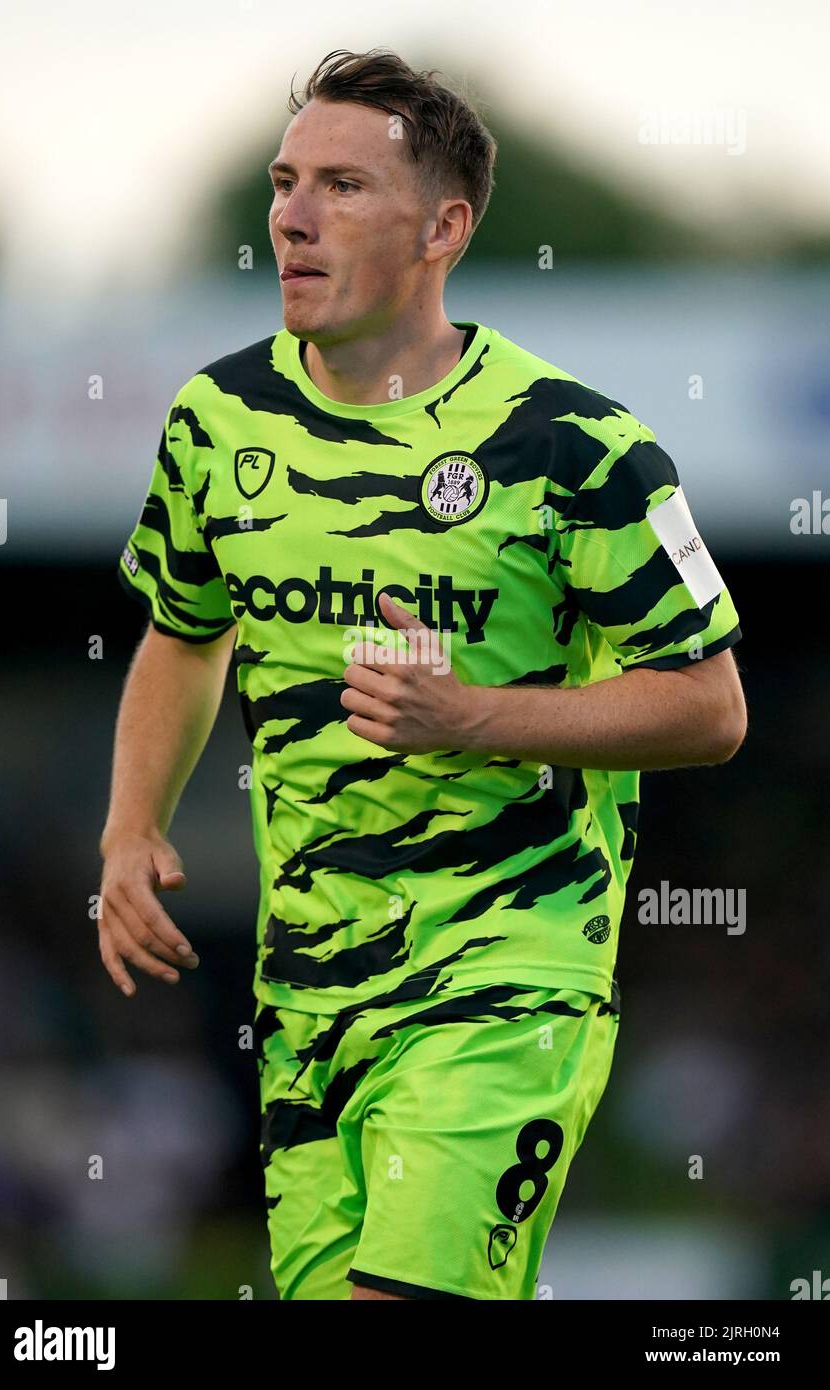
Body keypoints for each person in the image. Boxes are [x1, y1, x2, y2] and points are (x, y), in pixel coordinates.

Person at [99, 47, 747, 1301]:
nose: (291, 215)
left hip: (510, 964)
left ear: (442, 227)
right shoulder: (216, 420)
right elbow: (184, 631)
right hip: (307, 988)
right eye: (286, 182)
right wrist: (131, 828)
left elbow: (709, 705)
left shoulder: (573, 446)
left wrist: (470, 715)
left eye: (342, 186)